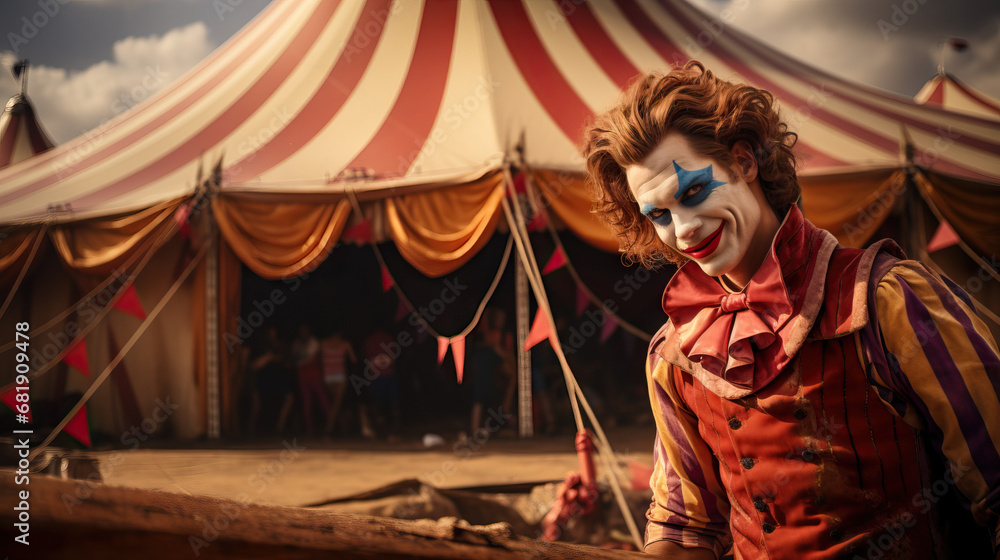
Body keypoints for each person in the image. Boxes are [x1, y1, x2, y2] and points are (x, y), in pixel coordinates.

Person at [584, 61, 1000, 559]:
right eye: (659, 215)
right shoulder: (674, 355)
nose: (685, 229)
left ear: (744, 161)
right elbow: (684, 528)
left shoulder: (889, 299)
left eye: (693, 191)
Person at [291, 323, 328, 435]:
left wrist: (299, 364)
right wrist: (297, 364)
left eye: (305, 330)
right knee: (306, 403)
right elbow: (293, 358)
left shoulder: (314, 342)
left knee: (323, 401)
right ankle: (309, 430)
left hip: (315, 376)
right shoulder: (297, 343)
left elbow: (311, 359)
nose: (303, 333)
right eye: (301, 331)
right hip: (302, 376)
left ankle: (331, 427)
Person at [319, 328, 356, 436]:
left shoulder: (323, 344)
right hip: (339, 376)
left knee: (335, 404)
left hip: (328, 376)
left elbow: (318, 358)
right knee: (336, 404)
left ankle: (343, 429)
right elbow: (353, 359)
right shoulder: (345, 344)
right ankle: (328, 429)